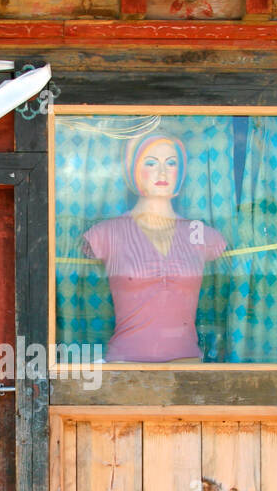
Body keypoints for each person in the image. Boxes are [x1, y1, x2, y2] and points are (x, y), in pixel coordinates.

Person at [80, 132, 227, 362]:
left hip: (186, 366)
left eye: (171, 163)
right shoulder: (108, 233)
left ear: (181, 172)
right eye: (151, 162)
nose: (162, 172)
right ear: (133, 168)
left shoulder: (200, 233)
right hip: (125, 366)